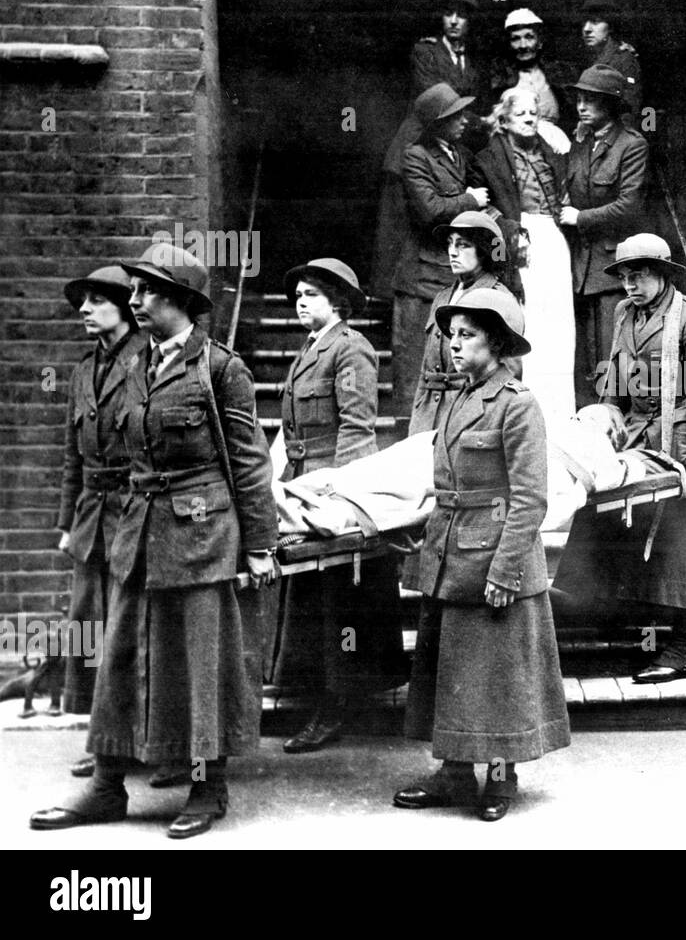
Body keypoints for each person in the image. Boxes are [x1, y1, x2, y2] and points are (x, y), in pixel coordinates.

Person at [30, 245, 278, 839]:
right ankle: (107, 786)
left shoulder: (222, 369)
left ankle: (207, 786)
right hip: (137, 535)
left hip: (200, 536)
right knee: (120, 658)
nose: (134, 301)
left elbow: (249, 464)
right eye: (134, 292)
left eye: (148, 291)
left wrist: (259, 546)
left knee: (199, 665)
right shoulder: (138, 366)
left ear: (183, 301)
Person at [395, 289, 569, 822]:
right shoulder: (456, 398)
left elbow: (530, 498)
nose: (454, 344)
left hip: (493, 557)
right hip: (450, 552)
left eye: (466, 334)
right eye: (451, 335)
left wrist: (505, 570)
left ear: (495, 342)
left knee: (496, 677)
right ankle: (451, 774)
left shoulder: (517, 405)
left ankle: (500, 779)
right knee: (450, 672)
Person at [553, 235, 686, 681]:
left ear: (664, 274)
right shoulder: (625, 313)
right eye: (624, 276)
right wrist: (599, 426)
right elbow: (616, 379)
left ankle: (682, 648)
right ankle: (590, 606)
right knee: (605, 511)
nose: (630, 284)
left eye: (639, 274)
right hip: (644, 436)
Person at [271, 258, 406, 754]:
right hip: (306, 485)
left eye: (312, 294)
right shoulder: (310, 349)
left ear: (338, 302)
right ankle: (320, 696)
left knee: (341, 606)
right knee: (316, 601)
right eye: (299, 295)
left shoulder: (351, 350)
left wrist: (340, 493)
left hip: (335, 488)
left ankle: (340, 704)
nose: (301, 302)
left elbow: (357, 428)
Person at [54, 267, 147, 778]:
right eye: (81, 302)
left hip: (132, 512)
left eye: (95, 301)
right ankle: (105, 739)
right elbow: (74, 456)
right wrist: (67, 521)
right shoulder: (82, 370)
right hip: (92, 518)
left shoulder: (146, 362)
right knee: (89, 629)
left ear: (123, 306)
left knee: (128, 633)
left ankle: (139, 741)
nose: (84, 310)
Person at [471, 86, 576, 428]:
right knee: (533, 322)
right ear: (503, 119)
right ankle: (530, 410)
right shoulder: (489, 158)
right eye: (521, 113)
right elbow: (485, 208)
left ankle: (560, 411)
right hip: (521, 244)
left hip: (554, 239)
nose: (530, 118)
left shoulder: (551, 151)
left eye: (534, 112)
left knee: (560, 325)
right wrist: (511, 232)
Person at [375, 0, 486, 302]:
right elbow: (439, 100)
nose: (453, 21)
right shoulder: (426, 51)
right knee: (402, 228)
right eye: (448, 13)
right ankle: (393, 296)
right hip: (415, 144)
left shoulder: (472, 60)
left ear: (469, 22)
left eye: (461, 15)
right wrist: (484, 120)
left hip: (445, 144)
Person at [390, 83, 491, 417]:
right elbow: (430, 211)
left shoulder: (459, 154)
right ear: (437, 122)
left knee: (452, 361)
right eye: (455, 115)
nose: (464, 120)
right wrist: (470, 200)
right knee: (416, 366)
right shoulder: (415, 156)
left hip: (447, 274)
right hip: (420, 278)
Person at [559, 65, 648, 407]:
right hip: (581, 267)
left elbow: (629, 207)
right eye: (579, 99)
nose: (581, 106)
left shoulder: (631, 145)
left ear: (610, 105)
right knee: (583, 356)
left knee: (615, 354)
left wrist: (580, 217)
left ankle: (617, 425)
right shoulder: (580, 144)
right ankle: (588, 424)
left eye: (590, 100)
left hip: (612, 268)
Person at [408, 211, 521, 437]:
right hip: (427, 416)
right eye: (450, 244)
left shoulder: (497, 298)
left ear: (483, 250)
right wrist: (417, 417)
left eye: (463, 245)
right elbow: (425, 370)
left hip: (468, 416)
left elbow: (509, 372)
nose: (452, 252)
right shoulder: (442, 297)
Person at [489, 8, 577, 152]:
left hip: (557, 146)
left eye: (529, 37)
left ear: (540, 41)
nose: (523, 45)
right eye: (515, 39)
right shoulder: (501, 80)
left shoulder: (558, 75)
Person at [578, 0, 642, 128]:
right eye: (584, 22)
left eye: (595, 22)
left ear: (610, 27)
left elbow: (629, 110)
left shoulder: (624, 60)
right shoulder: (587, 58)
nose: (587, 29)